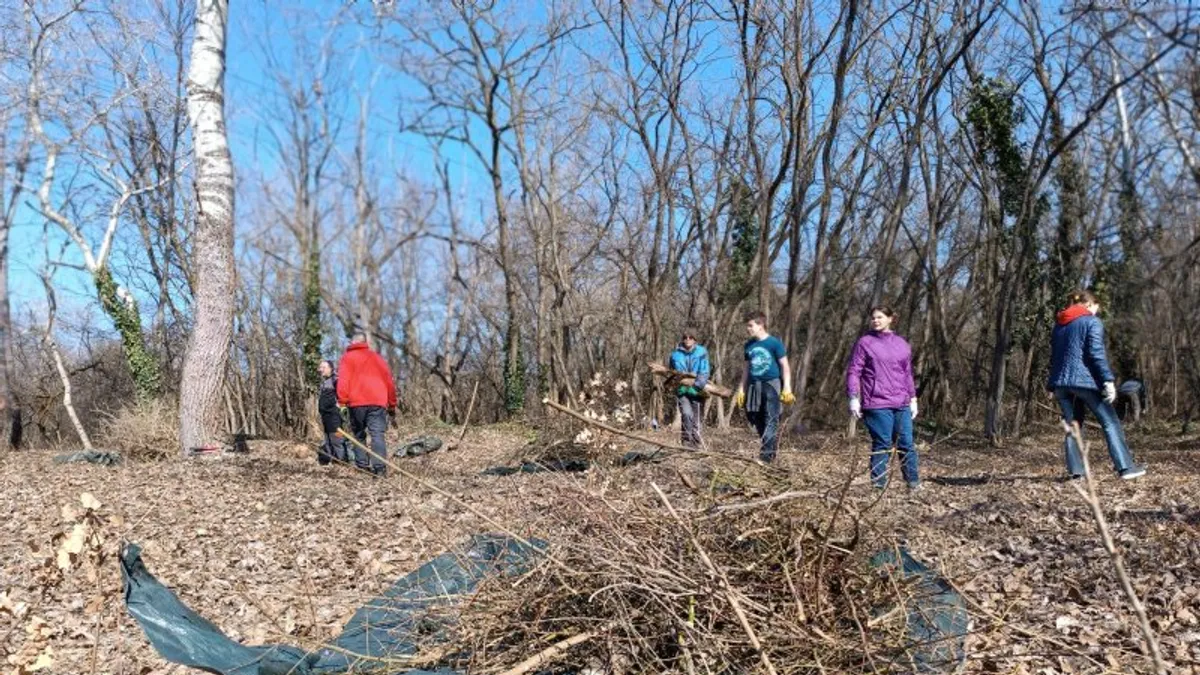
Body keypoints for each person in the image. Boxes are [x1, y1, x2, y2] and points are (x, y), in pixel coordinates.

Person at [1047, 290, 1145, 480]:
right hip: (1084, 382)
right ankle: (1125, 468)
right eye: (1096, 308)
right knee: (1110, 422)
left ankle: (1077, 472)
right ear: (1089, 304)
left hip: (1061, 383)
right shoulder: (1092, 322)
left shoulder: (1059, 325)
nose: (1096, 312)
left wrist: (1052, 385)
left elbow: (1055, 357)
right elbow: (1096, 353)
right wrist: (1107, 380)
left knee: (1073, 425)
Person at [845, 306, 920, 491]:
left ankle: (913, 483)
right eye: (873, 318)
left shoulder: (902, 344)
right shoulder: (865, 343)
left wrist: (913, 398)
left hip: (901, 402)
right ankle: (878, 486)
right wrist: (854, 396)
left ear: (890, 319)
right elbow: (854, 371)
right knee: (883, 444)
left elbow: (907, 373)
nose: (875, 320)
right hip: (876, 403)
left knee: (906, 444)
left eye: (880, 317)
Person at [734, 311, 794, 462]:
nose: (748, 328)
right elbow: (746, 369)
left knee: (771, 418)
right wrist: (741, 389)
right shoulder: (749, 345)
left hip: (771, 384)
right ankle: (770, 449)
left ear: (760, 325)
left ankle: (765, 456)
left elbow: (785, 366)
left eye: (751, 325)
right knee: (754, 417)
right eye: (747, 325)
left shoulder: (774, 343)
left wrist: (787, 387)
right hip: (754, 386)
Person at [337, 332, 397, 476]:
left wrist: (342, 402)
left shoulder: (348, 358)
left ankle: (362, 466)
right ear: (365, 342)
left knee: (359, 434)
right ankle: (380, 468)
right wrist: (392, 404)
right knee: (377, 435)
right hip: (378, 402)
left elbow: (343, 381)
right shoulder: (377, 358)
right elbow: (389, 382)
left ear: (353, 342)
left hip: (356, 403)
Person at [668, 329, 710, 448]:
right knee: (686, 414)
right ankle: (686, 442)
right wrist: (677, 385)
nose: (687, 340)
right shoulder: (675, 355)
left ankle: (696, 443)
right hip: (682, 390)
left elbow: (705, 371)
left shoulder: (702, 352)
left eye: (690, 337)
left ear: (694, 340)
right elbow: (671, 372)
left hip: (698, 391)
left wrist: (697, 386)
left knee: (696, 418)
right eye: (685, 337)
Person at [316, 359, 349, 465]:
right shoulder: (324, 382)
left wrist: (341, 408)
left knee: (337, 438)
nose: (320, 370)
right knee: (328, 439)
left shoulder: (336, 380)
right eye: (320, 367)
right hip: (325, 416)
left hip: (335, 416)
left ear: (330, 369)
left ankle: (342, 461)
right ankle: (333, 460)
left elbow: (343, 396)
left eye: (323, 367)